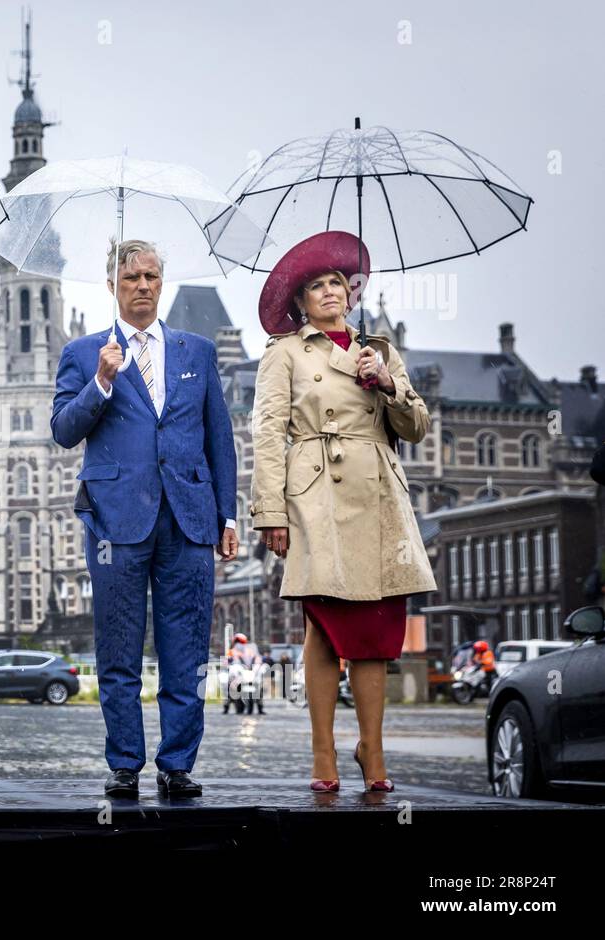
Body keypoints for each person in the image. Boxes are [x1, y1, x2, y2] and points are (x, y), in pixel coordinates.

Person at [249, 230, 437, 793]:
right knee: (327, 626)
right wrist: (269, 513)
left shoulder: (379, 352)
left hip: (377, 491)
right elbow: (266, 433)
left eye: (337, 282)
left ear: (350, 293)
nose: (330, 292)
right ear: (300, 301)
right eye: (316, 286)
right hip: (316, 492)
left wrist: (387, 388)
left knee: (377, 628)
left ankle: (372, 747)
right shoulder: (284, 353)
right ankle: (323, 749)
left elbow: (417, 428)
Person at [52, 238, 238, 799]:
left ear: (162, 281)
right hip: (115, 520)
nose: (143, 285)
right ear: (112, 284)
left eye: (152, 276)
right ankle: (125, 762)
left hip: (188, 518)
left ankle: (178, 763)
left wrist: (227, 515)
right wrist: (102, 382)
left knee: (185, 649)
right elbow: (63, 430)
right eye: (131, 277)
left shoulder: (197, 352)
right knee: (119, 648)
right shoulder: (85, 353)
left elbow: (219, 440)